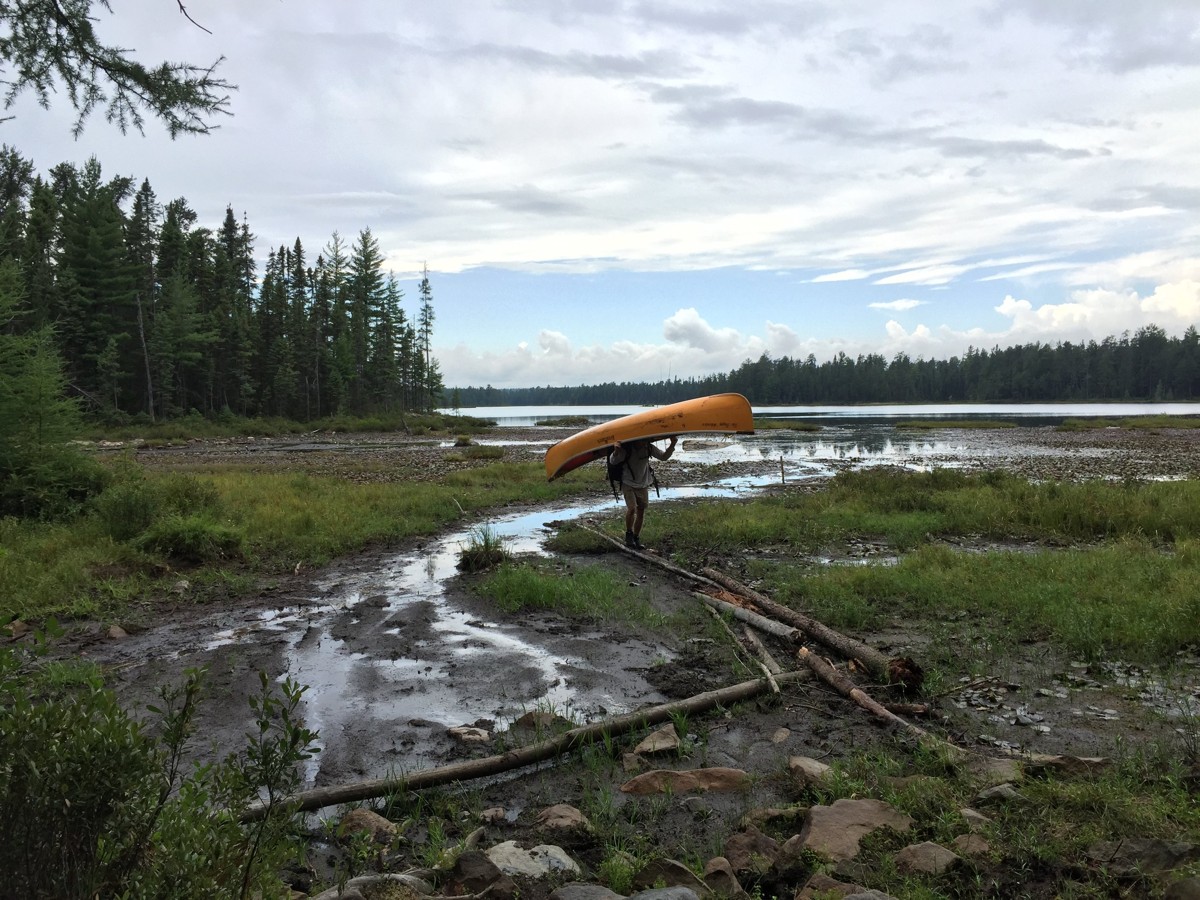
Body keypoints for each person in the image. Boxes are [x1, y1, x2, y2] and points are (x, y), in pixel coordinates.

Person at [610, 436, 677, 549]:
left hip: (643, 483)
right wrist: (616, 451)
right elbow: (613, 461)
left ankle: (636, 538)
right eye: (642, 440)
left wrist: (672, 444)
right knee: (632, 508)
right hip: (628, 482)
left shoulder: (649, 448)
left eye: (646, 440)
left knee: (641, 511)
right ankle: (629, 534)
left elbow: (663, 457)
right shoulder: (627, 448)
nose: (644, 442)